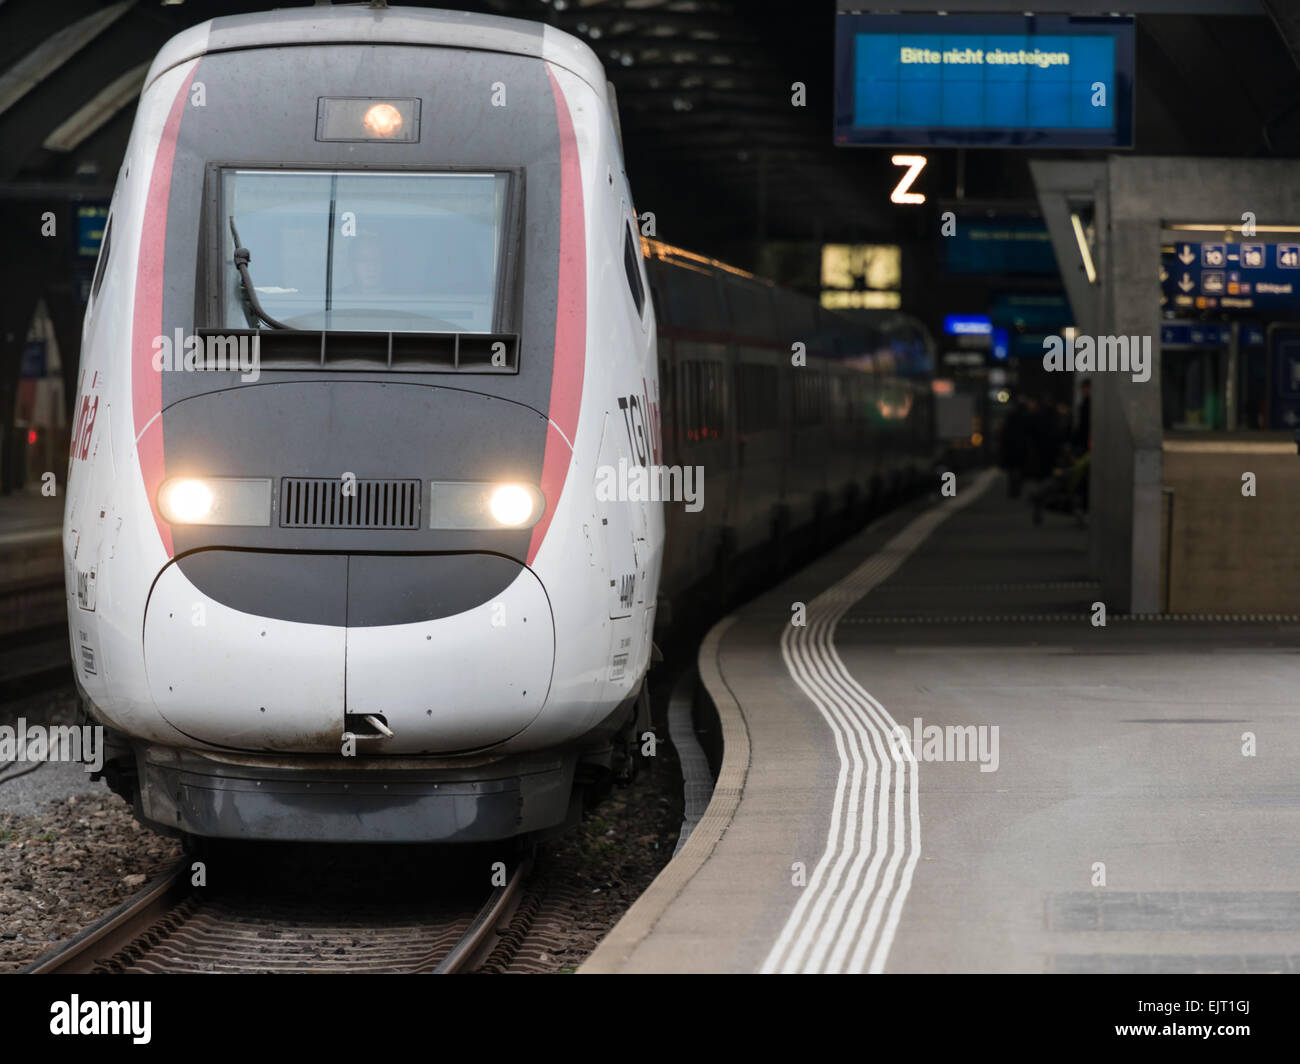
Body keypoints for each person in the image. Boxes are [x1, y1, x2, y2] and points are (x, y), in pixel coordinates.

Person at [1073, 378, 1092, 452]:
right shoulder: (1085, 404)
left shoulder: (1088, 404)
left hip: (1086, 439)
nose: (1083, 391)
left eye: (1086, 388)